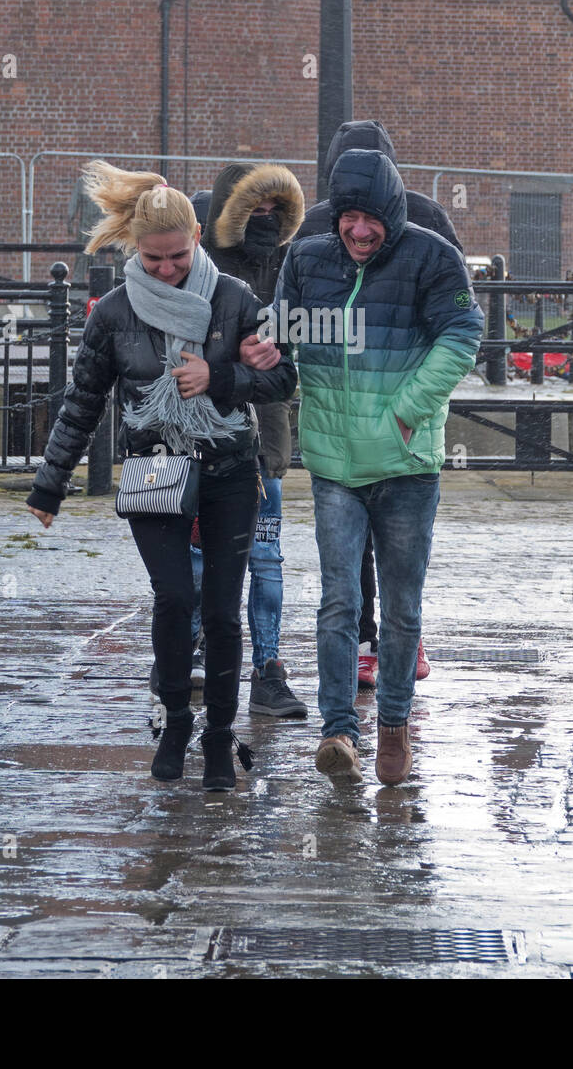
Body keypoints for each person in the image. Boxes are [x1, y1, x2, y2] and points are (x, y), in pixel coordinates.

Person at [26, 164, 296, 792]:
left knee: (225, 612)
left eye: (177, 256)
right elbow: (83, 402)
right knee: (176, 597)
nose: (167, 269)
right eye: (153, 259)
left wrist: (221, 378)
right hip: (155, 471)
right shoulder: (114, 314)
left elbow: (283, 381)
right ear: (134, 249)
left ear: (197, 236)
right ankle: (177, 719)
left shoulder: (233, 301)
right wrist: (50, 484)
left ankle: (220, 737)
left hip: (230, 469)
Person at [243, 147, 483, 785]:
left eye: (370, 218)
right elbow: (283, 336)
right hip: (334, 463)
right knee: (338, 600)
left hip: (407, 463)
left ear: (391, 214)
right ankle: (338, 732)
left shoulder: (432, 258)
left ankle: (394, 724)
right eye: (348, 217)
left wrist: (408, 407)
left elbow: (463, 335)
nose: (358, 230)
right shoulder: (308, 259)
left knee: (402, 609)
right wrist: (263, 354)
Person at [293, 120, 464, 689]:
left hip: (352, 409)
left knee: (352, 559)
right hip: (391, 401)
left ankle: (369, 644)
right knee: (400, 559)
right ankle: (396, 646)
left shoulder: (318, 222)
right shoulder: (426, 217)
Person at [202, 162, 308, 719]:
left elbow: (299, 350)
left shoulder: (292, 268)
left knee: (265, 557)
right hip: (204, 433)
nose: (264, 220)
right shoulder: (201, 268)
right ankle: (197, 652)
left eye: (275, 211)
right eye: (253, 210)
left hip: (265, 434)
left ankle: (267, 669)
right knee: (201, 555)